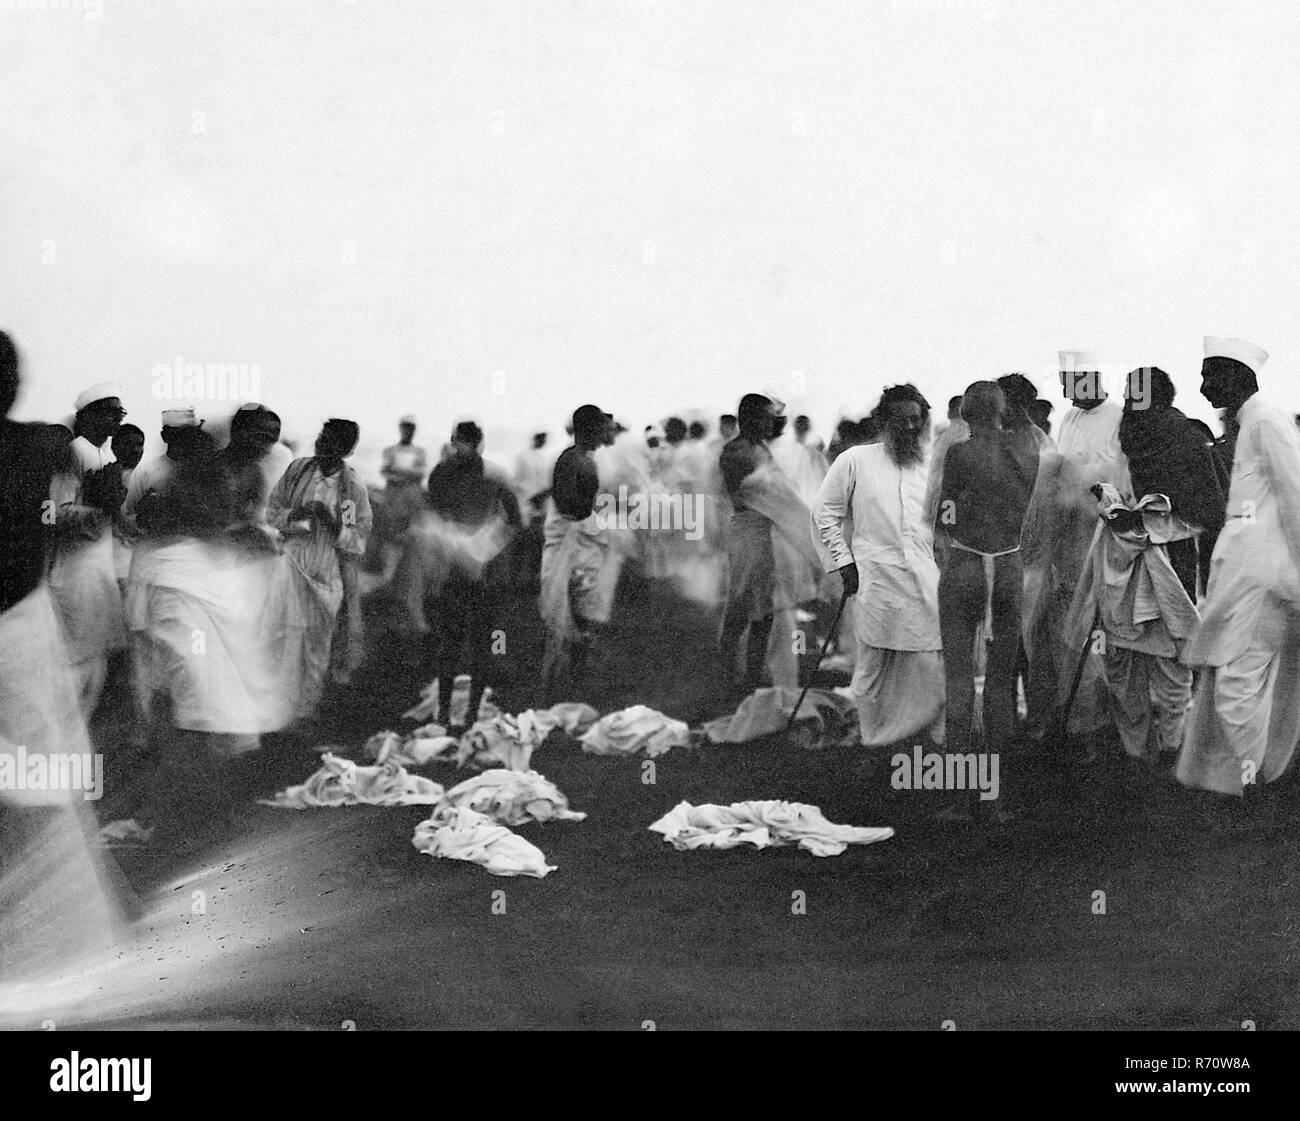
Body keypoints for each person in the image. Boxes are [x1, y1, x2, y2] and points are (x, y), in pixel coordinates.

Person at [0, 331, 125, 979]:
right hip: (19, 629)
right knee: (34, 784)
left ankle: (34, 944)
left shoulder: (43, 443)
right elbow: (107, 486)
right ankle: (41, 944)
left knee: (31, 783)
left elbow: (106, 485)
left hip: (18, 628)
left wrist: (53, 517)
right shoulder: (41, 443)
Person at [1177, 337, 1300, 809]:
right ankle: (1254, 780)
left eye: (1211, 375)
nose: (1204, 386)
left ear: (1237, 375)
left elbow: (1293, 495)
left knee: (1237, 680)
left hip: (1263, 578)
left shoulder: (1265, 419)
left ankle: (1250, 789)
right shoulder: (1253, 420)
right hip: (1253, 574)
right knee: (1248, 680)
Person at [810, 384, 945, 747]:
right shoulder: (855, 461)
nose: (910, 428)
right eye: (901, 420)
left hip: (923, 577)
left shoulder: (932, 465)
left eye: (917, 420)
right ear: (884, 422)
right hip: (874, 576)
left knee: (928, 661)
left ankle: (925, 735)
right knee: (873, 666)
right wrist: (843, 562)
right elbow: (825, 513)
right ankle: (874, 738)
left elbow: (944, 522)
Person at [936, 382, 1039, 813]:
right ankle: (996, 793)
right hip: (1010, 567)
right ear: (1003, 412)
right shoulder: (1028, 454)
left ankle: (958, 793)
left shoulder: (959, 454)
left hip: (967, 565)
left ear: (964, 411)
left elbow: (945, 516)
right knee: (1000, 682)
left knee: (960, 677)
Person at [1022, 351, 1131, 738]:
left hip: (1094, 540)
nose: (1068, 394)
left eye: (1073, 383)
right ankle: (1063, 719)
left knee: (1092, 630)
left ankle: (1095, 723)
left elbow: (1117, 482)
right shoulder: (1070, 418)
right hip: (1062, 543)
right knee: (1058, 630)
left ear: (1091, 378)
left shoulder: (1119, 418)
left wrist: (1077, 485)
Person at [421, 421, 521, 729]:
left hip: (487, 573)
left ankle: (472, 714)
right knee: (449, 642)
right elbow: (432, 513)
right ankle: (443, 712)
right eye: (456, 443)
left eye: (465, 443)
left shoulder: (495, 475)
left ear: (479, 445)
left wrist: (486, 545)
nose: (459, 448)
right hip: (453, 570)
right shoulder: (441, 474)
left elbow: (514, 520)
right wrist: (452, 539)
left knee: (483, 643)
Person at [268, 419, 373, 712]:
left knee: (315, 649)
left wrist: (330, 521)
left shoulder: (351, 488)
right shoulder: (298, 471)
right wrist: (297, 513)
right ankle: (275, 713)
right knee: (281, 640)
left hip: (325, 572)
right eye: (320, 437)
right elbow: (273, 512)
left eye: (330, 442)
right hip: (290, 562)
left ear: (345, 450)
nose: (321, 445)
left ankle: (304, 715)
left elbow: (355, 542)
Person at [47, 382, 130, 715]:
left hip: (102, 563)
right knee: (78, 650)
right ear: (88, 415)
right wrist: (100, 511)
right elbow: (53, 512)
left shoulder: (107, 453)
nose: (116, 419)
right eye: (109, 411)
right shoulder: (73, 452)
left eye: (119, 412)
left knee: (99, 648)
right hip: (74, 565)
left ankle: (78, 726)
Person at [539, 404, 618, 701]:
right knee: (568, 607)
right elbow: (571, 505)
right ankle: (565, 680)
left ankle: (571, 677)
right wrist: (594, 518)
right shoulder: (577, 461)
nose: (605, 434)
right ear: (590, 430)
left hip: (575, 538)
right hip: (570, 539)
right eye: (601, 428)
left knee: (576, 607)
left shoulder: (579, 458)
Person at [376, 415, 429, 579]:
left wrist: (399, 475)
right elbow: (385, 471)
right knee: (392, 537)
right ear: (401, 430)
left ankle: (407, 576)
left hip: (411, 500)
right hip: (393, 500)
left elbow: (420, 474)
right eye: (405, 428)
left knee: (411, 536)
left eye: (411, 429)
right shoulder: (391, 451)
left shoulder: (419, 452)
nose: (408, 432)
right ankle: (389, 575)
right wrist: (405, 476)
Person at [513, 431, 552, 526]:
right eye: (541, 439)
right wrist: (530, 495)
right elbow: (517, 480)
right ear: (536, 439)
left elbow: (546, 480)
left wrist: (543, 495)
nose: (543, 442)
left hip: (541, 501)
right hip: (527, 500)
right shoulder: (523, 457)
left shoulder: (543, 458)